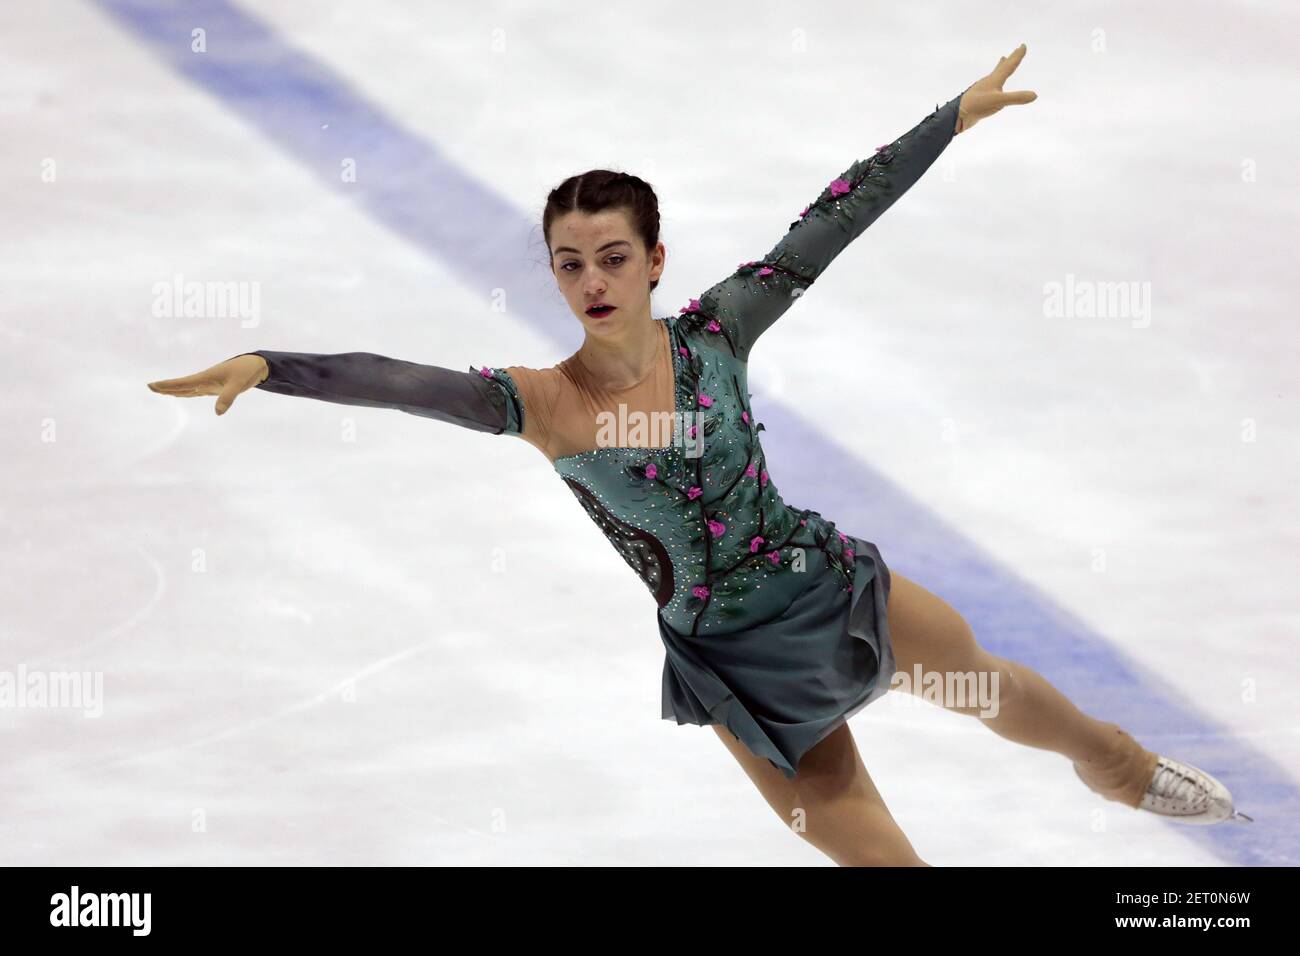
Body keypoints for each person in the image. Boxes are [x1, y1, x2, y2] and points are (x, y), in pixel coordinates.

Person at [148, 44, 1249, 865]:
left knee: (1014, 700)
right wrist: (269, 362)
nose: (592, 278)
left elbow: (833, 218)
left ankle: (1119, 767)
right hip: (732, 665)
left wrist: (946, 120)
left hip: (828, 586)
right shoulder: (538, 403)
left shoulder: (720, 328)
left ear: (654, 258)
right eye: (569, 261)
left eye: (613, 254)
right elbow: (400, 382)